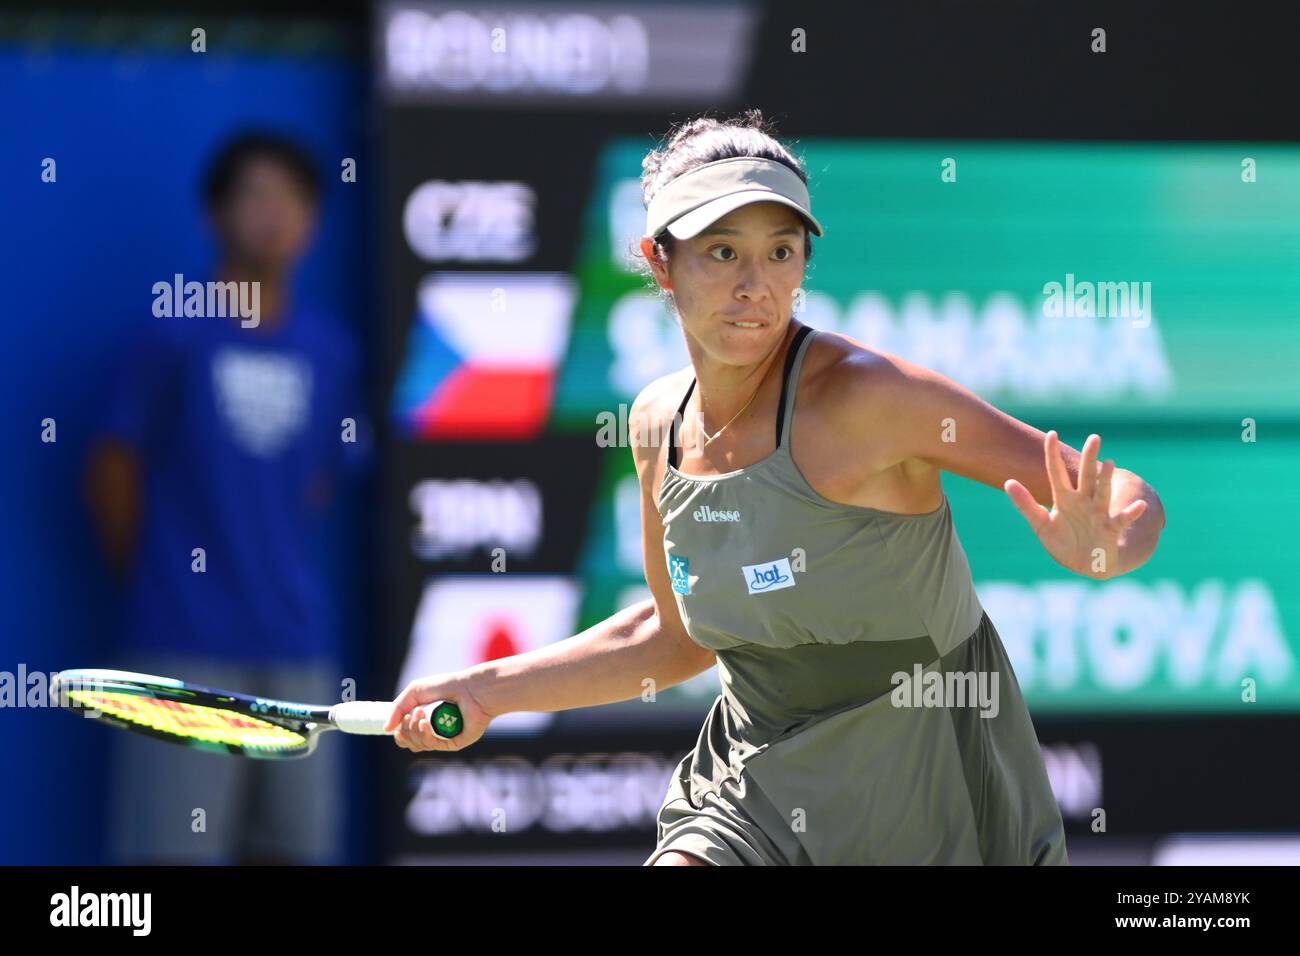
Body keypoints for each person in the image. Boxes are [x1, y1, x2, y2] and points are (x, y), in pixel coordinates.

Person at [381, 110, 1166, 865]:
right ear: (659, 260)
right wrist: (487, 691)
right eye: (722, 252)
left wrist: (1108, 545)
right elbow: (675, 636)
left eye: (781, 252)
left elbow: (1125, 495)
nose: (756, 284)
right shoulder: (657, 423)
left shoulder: (867, 399)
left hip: (941, 791)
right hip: (755, 785)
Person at [84, 131, 367, 864]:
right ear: (215, 214)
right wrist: (166, 585)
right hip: (179, 650)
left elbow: (316, 484)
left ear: (312, 220)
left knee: (296, 848)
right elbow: (111, 471)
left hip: (296, 653)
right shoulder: (167, 335)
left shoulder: (330, 352)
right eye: (254, 195)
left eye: (292, 199)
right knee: (169, 855)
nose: (273, 215)